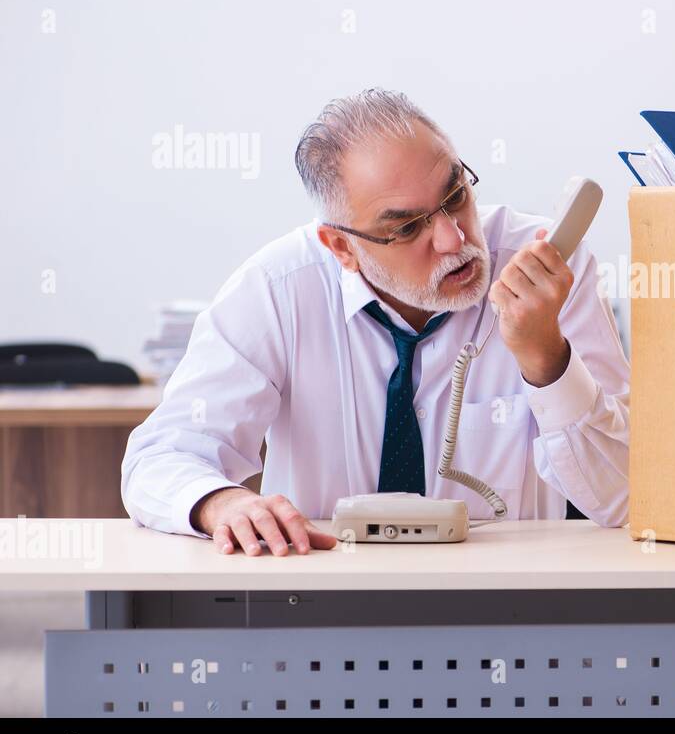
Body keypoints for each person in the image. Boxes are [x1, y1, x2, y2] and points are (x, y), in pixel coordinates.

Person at [121, 88, 630, 555]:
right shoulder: (277, 289)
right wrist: (221, 503)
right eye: (408, 228)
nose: (454, 240)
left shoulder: (546, 270)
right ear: (341, 247)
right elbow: (160, 457)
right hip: (323, 611)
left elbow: (622, 495)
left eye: (455, 198)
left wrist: (546, 359)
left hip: (511, 613)